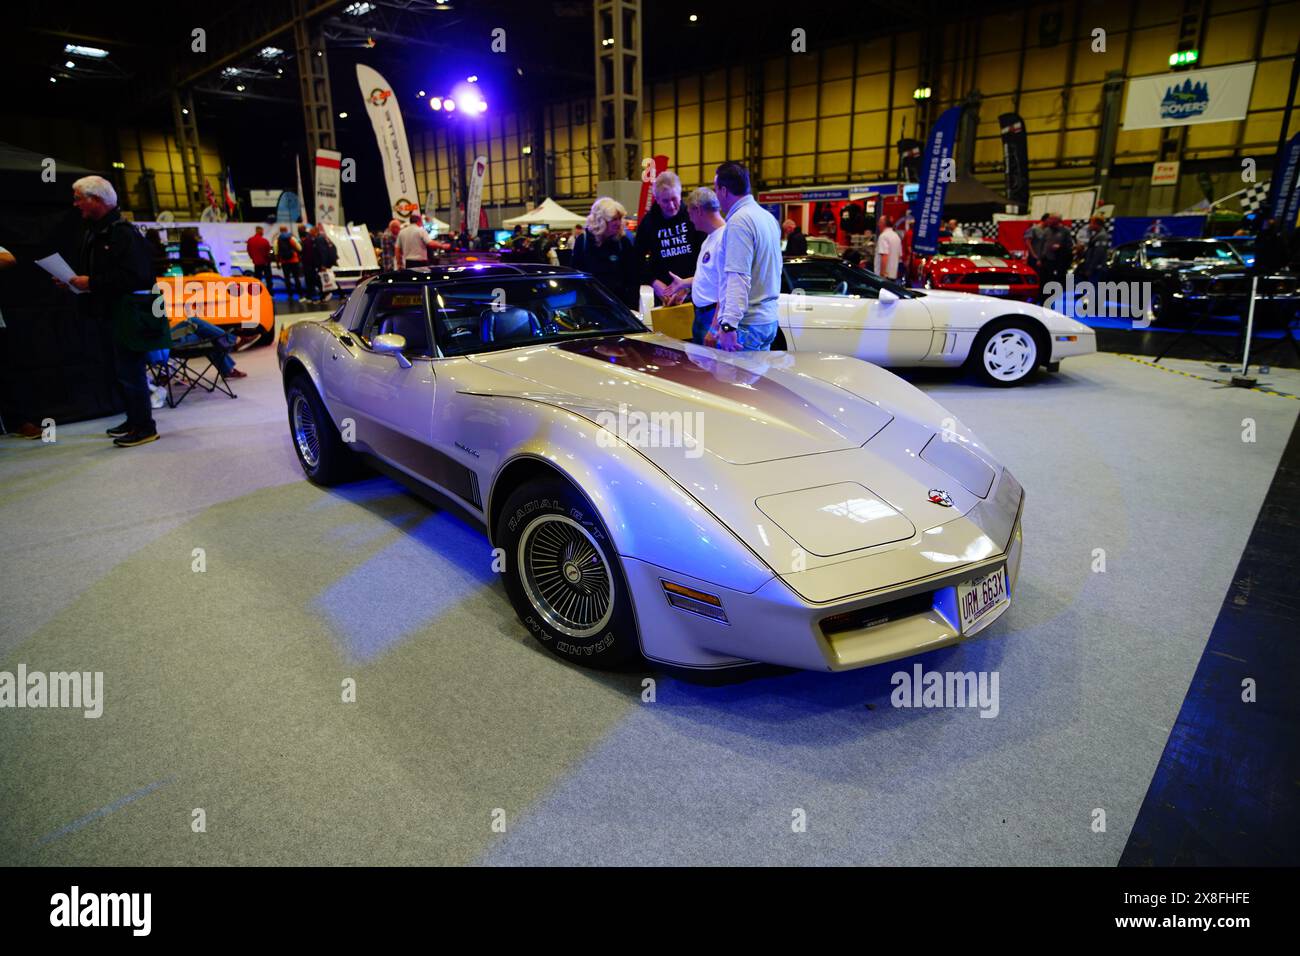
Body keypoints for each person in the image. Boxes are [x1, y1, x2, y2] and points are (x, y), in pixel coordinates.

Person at [62, 176, 158, 447]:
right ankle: (134, 419)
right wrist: (74, 280)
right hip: (107, 312)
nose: (75, 204)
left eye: (79, 198)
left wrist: (91, 282)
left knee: (131, 371)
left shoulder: (122, 233)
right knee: (121, 371)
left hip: (126, 315)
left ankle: (145, 426)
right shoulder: (96, 232)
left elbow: (138, 277)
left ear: (96, 200)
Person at [708, 161, 782, 351]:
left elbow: (738, 276)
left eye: (716, 190)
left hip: (746, 325)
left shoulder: (739, 222)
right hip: (768, 321)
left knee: (733, 372)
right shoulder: (767, 218)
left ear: (724, 191)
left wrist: (728, 325)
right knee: (759, 371)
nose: (716, 195)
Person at [633, 171, 705, 305]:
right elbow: (636, 260)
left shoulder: (692, 217)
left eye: (674, 199)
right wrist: (654, 282)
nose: (671, 206)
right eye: (665, 201)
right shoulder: (648, 222)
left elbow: (705, 256)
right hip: (664, 295)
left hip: (695, 292)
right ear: (657, 199)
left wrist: (687, 286)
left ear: (680, 194)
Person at [572, 197, 639, 308]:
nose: (618, 223)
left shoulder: (623, 242)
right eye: (614, 219)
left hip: (620, 305)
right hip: (591, 306)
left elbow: (633, 278)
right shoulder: (583, 241)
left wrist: (632, 307)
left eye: (620, 218)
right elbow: (576, 277)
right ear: (601, 220)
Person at [1038, 213, 1073, 290]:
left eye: (1051, 219)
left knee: (1055, 281)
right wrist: (1039, 259)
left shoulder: (1065, 231)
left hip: (1058, 261)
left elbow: (1069, 245)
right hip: (1046, 260)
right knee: (1043, 280)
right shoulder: (1046, 230)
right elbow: (1041, 245)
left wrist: (1060, 246)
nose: (1049, 220)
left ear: (1057, 220)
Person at [1076, 215, 1111, 280]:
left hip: (1096, 269)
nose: (1090, 225)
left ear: (1096, 224)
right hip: (1093, 269)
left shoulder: (1102, 236)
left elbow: (1098, 255)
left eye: (1091, 223)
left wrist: (1090, 270)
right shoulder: (1096, 234)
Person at [275, 224, 303, 300]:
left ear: (280, 231)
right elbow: (299, 248)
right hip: (294, 261)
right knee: (296, 277)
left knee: (287, 278)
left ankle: (290, 294)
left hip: (284, 262)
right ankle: (300, 294)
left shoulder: (277, 240)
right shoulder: (292, 238)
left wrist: (278, 263)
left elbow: (276, 253)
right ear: (287, 230)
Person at [874, 214, 902, 280]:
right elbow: (899, 256)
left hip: (884, 276)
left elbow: (884, 255)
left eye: (879, 222)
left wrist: (882, 274)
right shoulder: (896, 236)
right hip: (893, 275)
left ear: (883, 224)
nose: (878, 224)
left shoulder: (883, 236)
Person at [246, 225, 273, 291]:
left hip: (256, 262)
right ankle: (269, 291)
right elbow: (269, 251)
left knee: (257, 278)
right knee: (268, 278)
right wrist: (271, 256)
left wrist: (253, 258)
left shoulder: (250, 240)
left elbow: (249, 250)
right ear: (261, 231)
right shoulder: (264, 241)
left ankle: (256, 292)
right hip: (266, 262)